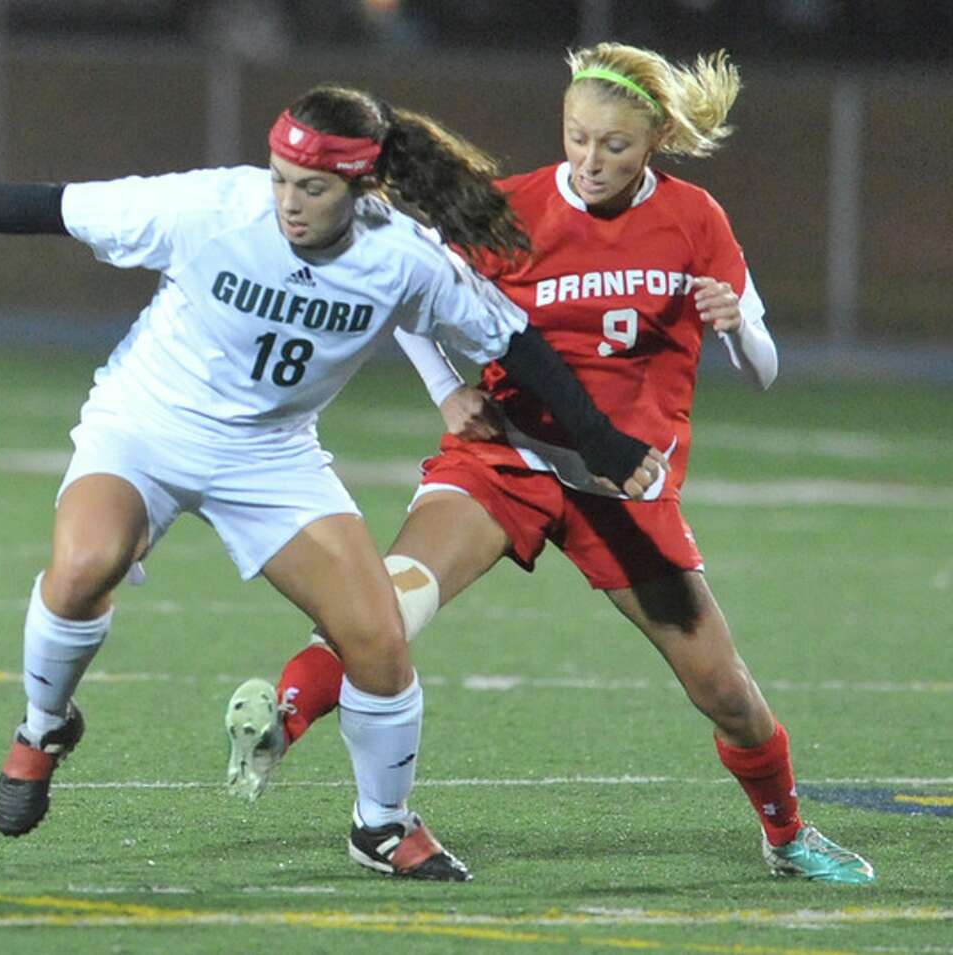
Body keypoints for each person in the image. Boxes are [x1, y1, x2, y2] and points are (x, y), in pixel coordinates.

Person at [0, 84, 665, 883]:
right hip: (147, 424)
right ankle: (42, 728)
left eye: (311, 187)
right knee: (81, 566)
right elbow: (51, 206)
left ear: (362, 186)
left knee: (377, 638)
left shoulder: (402, 256)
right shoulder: (211, 207)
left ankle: (382, 824)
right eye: (280, 177)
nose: (289, 201)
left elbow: (515, 339)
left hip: (270, 457)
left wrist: (600, 440)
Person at [225, 46, 876, 885]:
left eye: (614, 145)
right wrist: (446, 391)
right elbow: (415, 290)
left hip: (622, 484)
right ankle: (281, 716)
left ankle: (787, 835)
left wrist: (738, 328)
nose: (590, 161)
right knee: (390, 601)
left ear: (656, 141)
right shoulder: (509, 209)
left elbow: (764, 371)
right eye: (576, 138)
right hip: (505, 458)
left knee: (725, 691)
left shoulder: (695, 218)